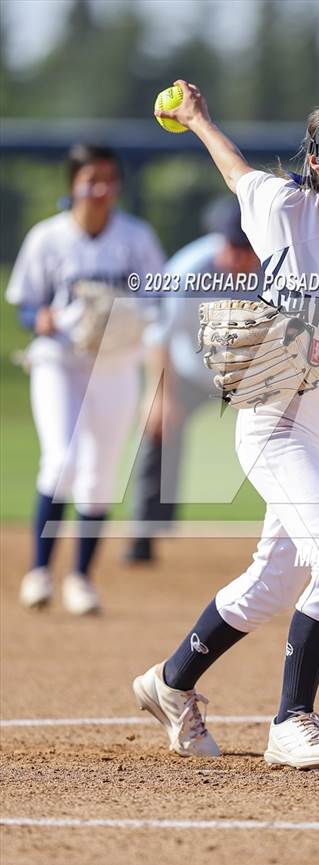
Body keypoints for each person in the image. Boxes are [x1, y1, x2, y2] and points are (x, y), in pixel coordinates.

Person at [133, 81, 319, 769]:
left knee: (271, 580)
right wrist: (199, 118)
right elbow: (236, 169)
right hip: (271, 423)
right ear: (318, 157)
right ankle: (292, 720)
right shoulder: (281, 208)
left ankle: (170, 682)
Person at [6, 143, 165, 615]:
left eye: (109, 179)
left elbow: (159, 302)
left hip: (116, 361)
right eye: (91, 179)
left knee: (99, 477)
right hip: (59, 360)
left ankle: (80, 580)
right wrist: (41, 319)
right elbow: (26, 305)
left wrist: (138, 323)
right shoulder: (48, 237)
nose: (101, 188)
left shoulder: (135, 236)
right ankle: (38, 572)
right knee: (62, 462)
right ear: (72, 183)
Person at [124, 201, 260, 563]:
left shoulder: (280, 271)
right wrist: (161, 398)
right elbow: (159, 338)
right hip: (192, 371)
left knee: (294, 439)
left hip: (254, 375)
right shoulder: (190, 269)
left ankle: (300, 536)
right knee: (159, 430)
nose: (240, 256)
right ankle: (144, 535)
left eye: (249, 248)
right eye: (233, 245)